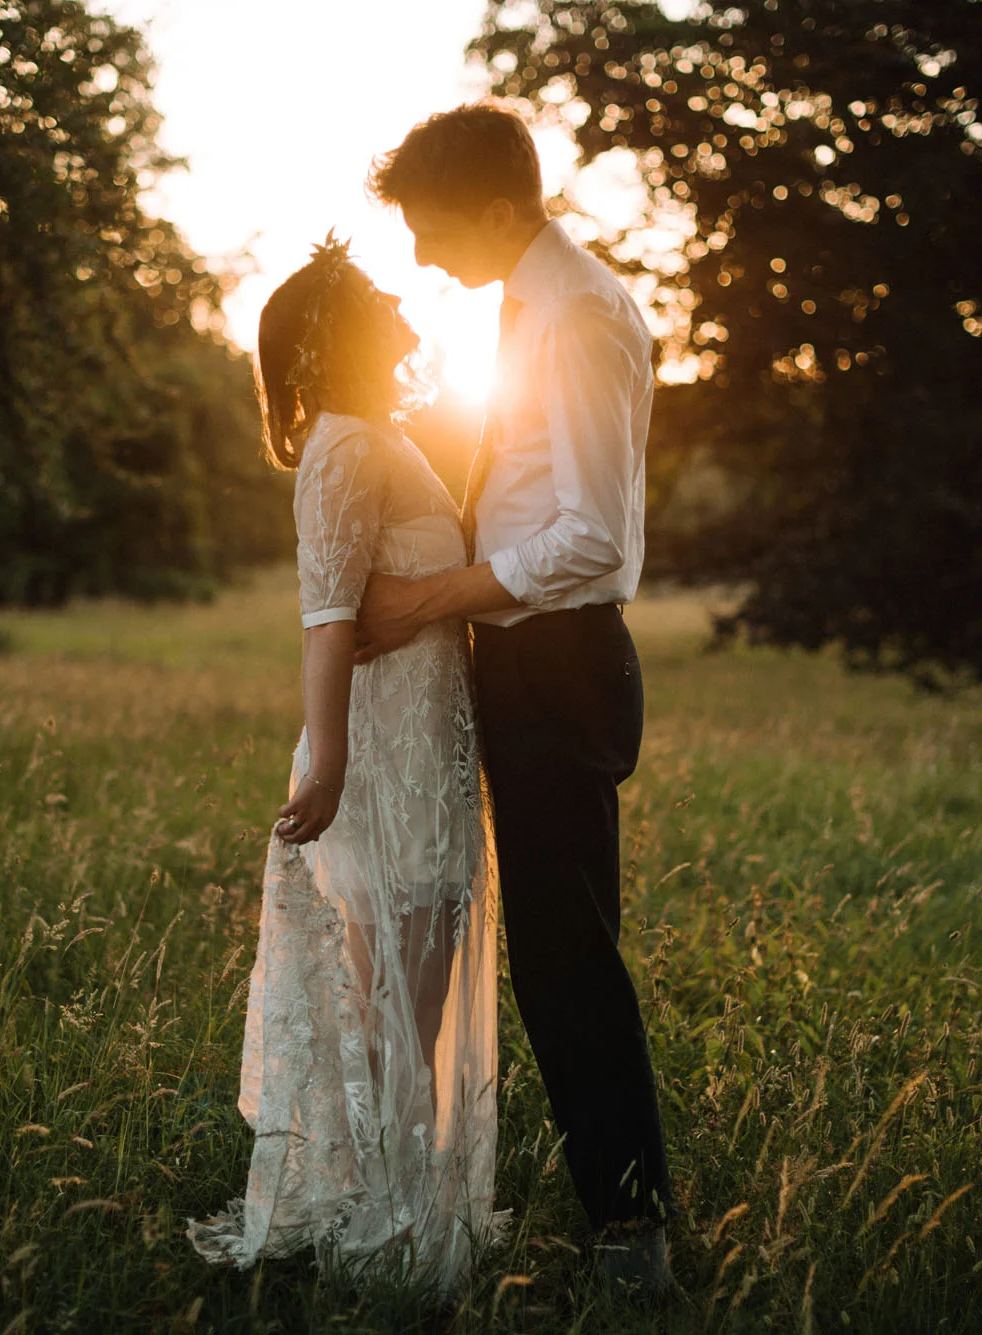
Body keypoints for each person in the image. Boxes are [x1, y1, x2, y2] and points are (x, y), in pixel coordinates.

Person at [357, 103, 677, 1299]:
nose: (424, 257)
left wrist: (435, 594)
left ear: (499, 207)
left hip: (563, 662)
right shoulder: (523, 306)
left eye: (434, 229)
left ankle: (632, 1234)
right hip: (523, 661)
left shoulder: (581, 313)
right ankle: (611, 1212)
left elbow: (594, 534)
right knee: (548, 953)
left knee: (566, 957)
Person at [186, 234, 505, 1297]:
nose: (395, 297)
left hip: (426, 747)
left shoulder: (377, 436)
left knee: (406, 988)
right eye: (371, 293)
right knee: (393, 996)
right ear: (334, 332)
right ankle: (390, 1235)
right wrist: (326, 770)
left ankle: (397, 1212)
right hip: (381, 756)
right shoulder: (342, 445)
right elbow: (326, 619)